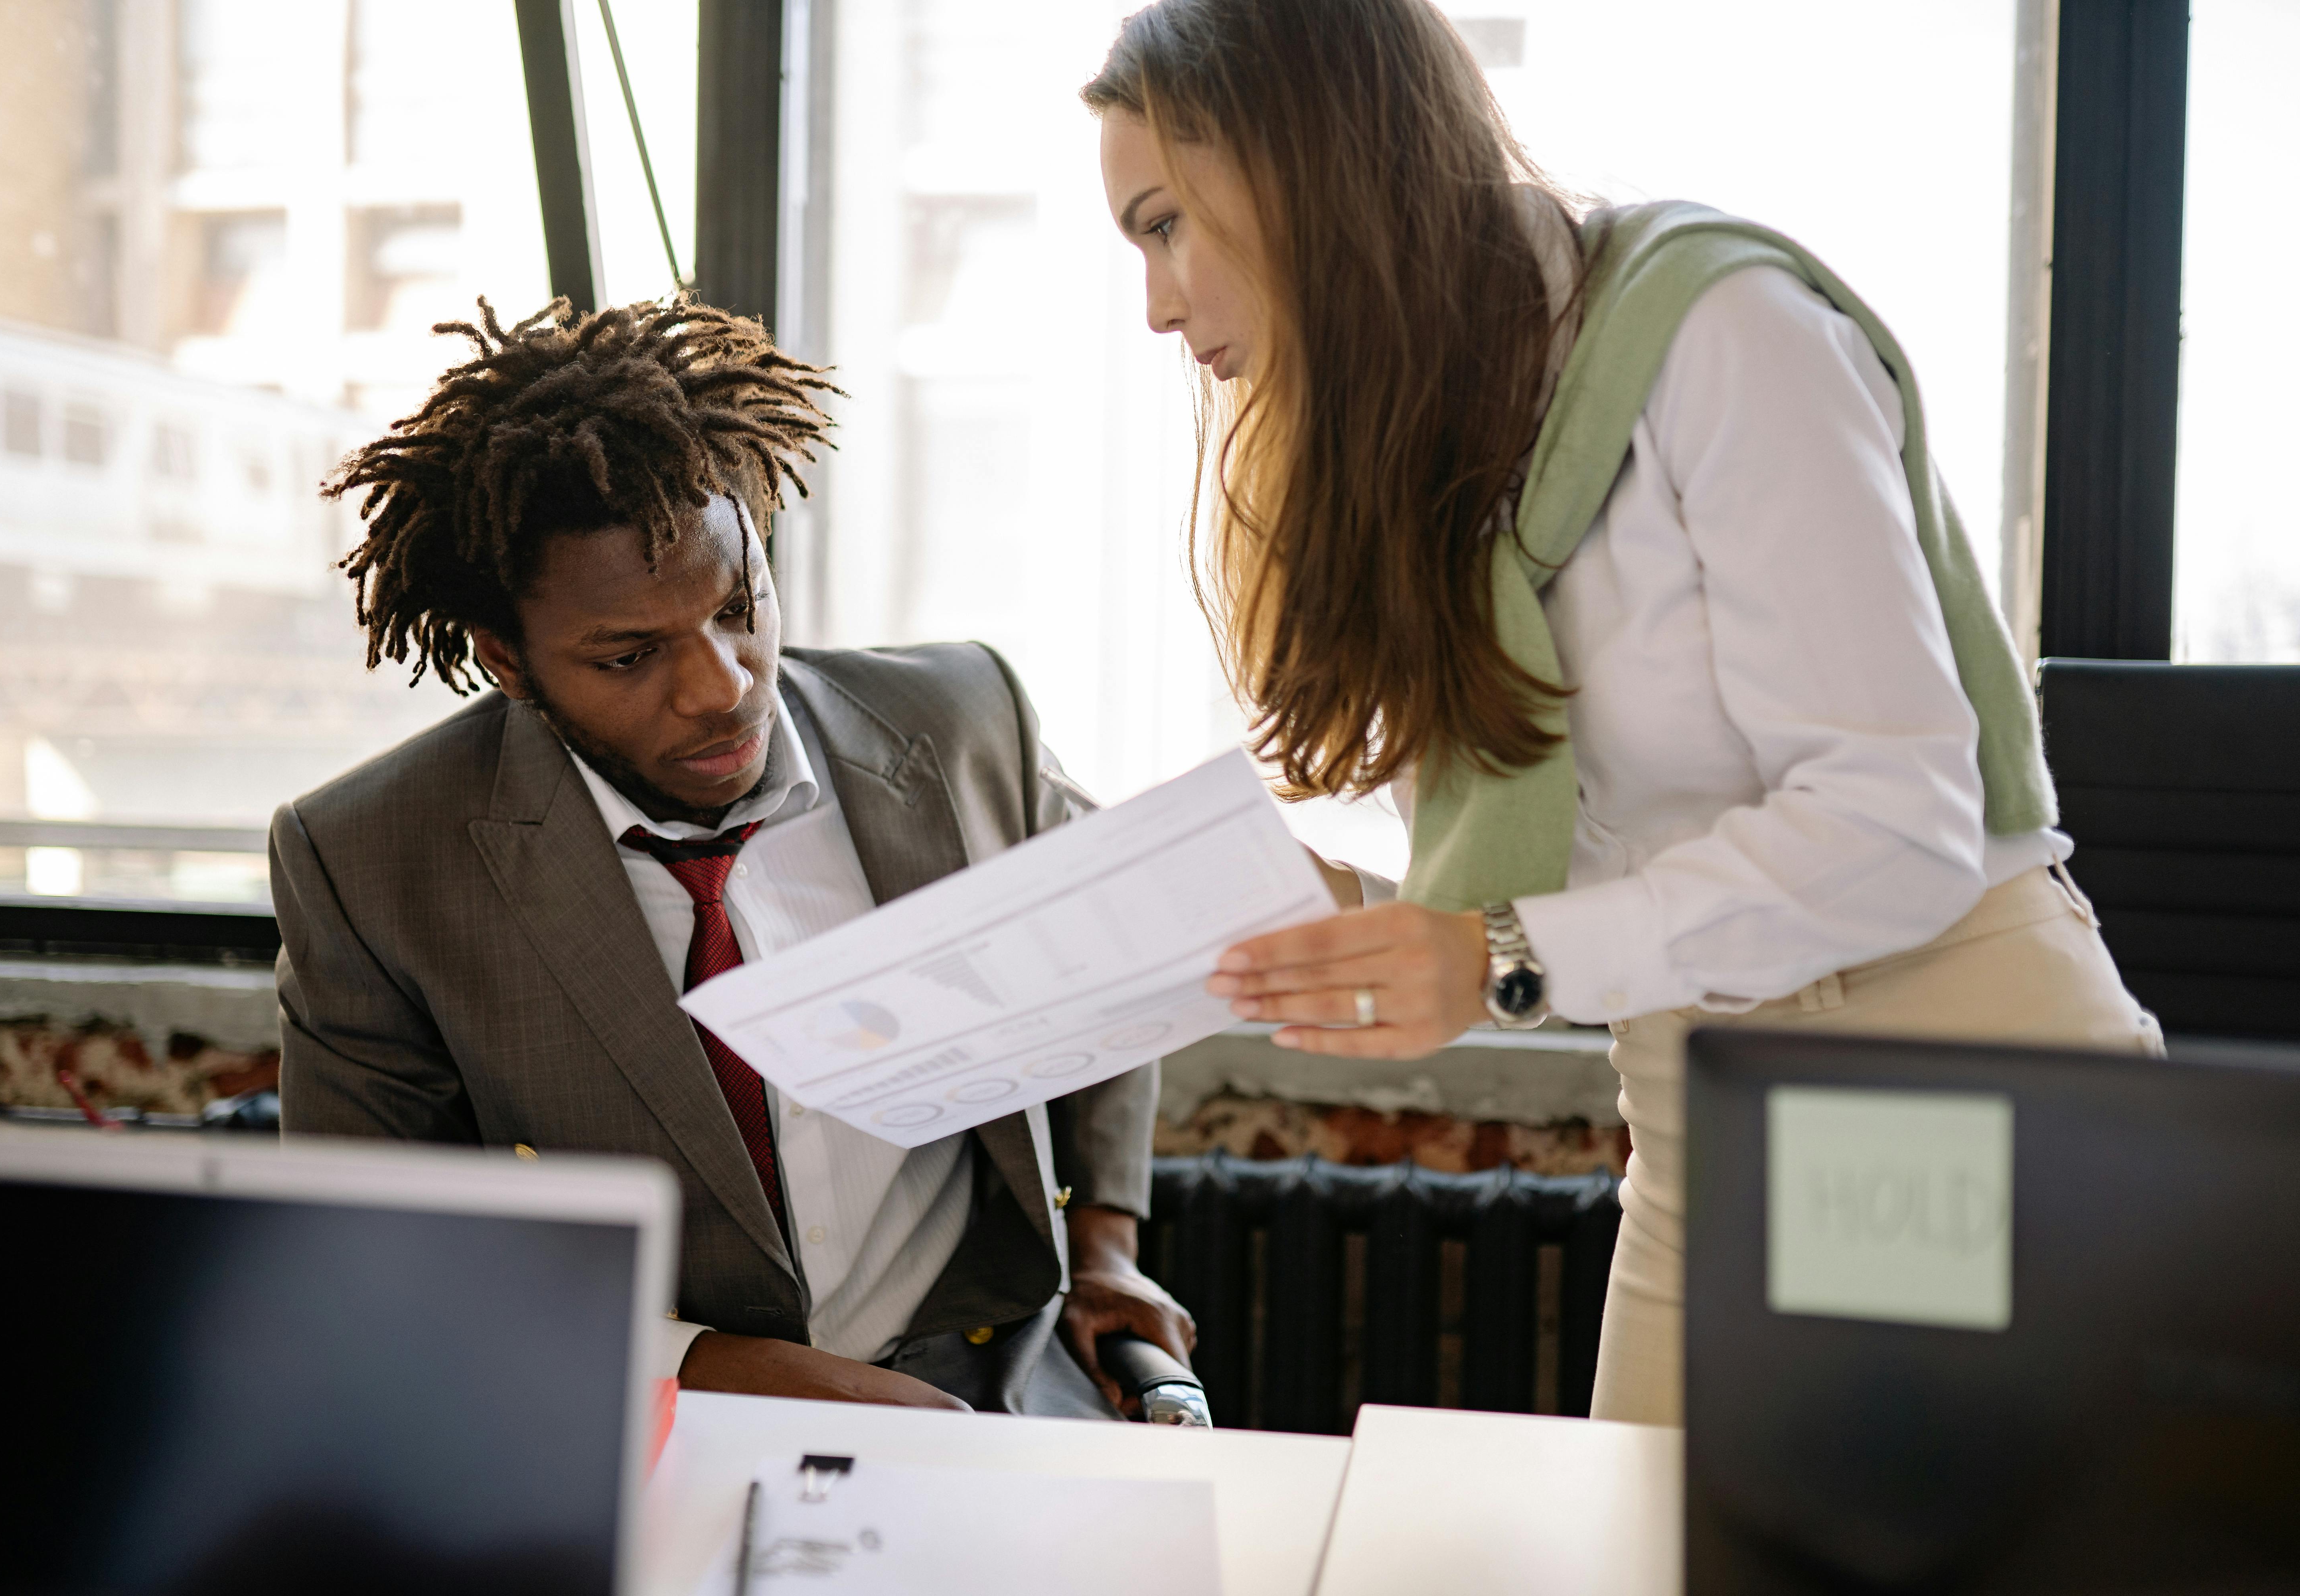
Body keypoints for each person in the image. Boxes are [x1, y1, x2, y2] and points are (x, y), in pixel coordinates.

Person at [1086, 0, 2157, 1426]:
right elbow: (1588, 836)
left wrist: (1502, 958)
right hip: (1699, 1090)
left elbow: (1900, 823)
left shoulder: (1721, 332)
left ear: (1300, 169)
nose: (1156, 307)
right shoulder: (1426, 438)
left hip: (1939, 1056)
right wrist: (1354, 905)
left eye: (1164, 225)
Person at [272, 296, 1191, 1418]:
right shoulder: (371, 861)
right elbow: (380, 1254)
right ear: (507, 659)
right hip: (626, 1421)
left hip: (995, 1390)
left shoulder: (961, 725)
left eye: (739, 606)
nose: (721, 687)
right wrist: (714, 1368)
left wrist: (1105, 1242)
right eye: (629, 656)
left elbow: (1110, 958)